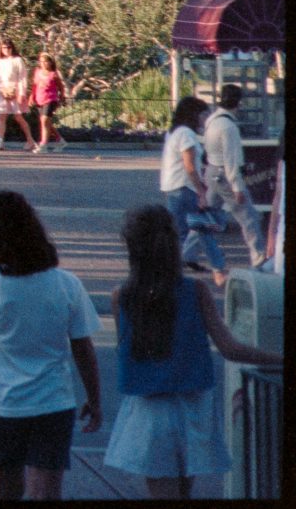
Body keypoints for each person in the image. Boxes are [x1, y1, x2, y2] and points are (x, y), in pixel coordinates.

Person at [103, 204, 280, 498]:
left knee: (162, 490)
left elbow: (131, 349)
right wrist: (280, 359)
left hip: (149, 409)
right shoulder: (195, 291)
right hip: (193, 406)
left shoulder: (121, 297)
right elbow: (230, 348)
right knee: (185, 490)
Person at [0, 190, 102, 501]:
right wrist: (94, 397)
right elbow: (83, 347)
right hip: (53, 401)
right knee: (47, 492)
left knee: (5, 490)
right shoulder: (66, 283)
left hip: (2, 403)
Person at [159, 96, 226, 283]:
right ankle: (217, 270)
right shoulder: (186, 135)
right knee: (199, 228)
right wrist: (201, 192)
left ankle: (174, 270)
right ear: (194, 114)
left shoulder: (174, 132)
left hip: (173, 187)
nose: (205, 119)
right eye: (204, 114)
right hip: (184, 188)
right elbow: (190, 166)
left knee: (189, 229)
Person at [201, 84, 268, 270]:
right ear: (238, 102)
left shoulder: (212, 119)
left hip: (211, 171)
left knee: (205, 216)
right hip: (225, 175)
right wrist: (237, 187)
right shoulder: (229, 127)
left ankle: (186, 252)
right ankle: (258, 257)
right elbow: (232, 160)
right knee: (249, 218)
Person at [0, 30, 39, 150]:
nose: (6, 49)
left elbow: (23, 77)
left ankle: (30, 140)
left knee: (18, 116)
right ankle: (0, 142)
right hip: (2, 90)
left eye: (8, 47)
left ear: (12, 48)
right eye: (4, 47)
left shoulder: (18, 60)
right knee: (2, 116)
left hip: (15, 89)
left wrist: (21, 93)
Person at [31, 53, 66, 152]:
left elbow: (61, 87)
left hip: (50, 99)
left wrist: (62, 97)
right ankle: (60, 140)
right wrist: (32, 96)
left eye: (45, 61)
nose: (43, 63)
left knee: (44, 120)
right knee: (47, 123)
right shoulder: (37, 72)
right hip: (39, 99)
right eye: (41, 61)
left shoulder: (53, 74)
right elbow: (35, 85)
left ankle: (43, 145)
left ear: (50, 62)